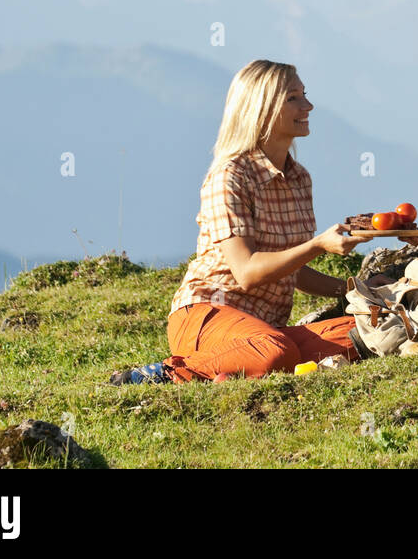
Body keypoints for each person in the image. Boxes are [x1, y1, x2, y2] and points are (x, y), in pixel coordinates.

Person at [109, 60, 362, 384]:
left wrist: (354, 289)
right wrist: (317, 245)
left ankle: (231, 372)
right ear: (262, 109)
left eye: (305, 95)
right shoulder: (230, 176)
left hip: (264, 327)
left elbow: (291, 269)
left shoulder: (299, 179)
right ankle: (161, 375)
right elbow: (247, 272)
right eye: (293, 98)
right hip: (207, 316)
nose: (308, 106)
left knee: (364, 331)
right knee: (276, 351)